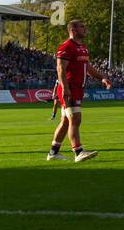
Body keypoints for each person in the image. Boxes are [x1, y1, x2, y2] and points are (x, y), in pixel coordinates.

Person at [46, 20, 113, 163]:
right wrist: (65, 87)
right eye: (82, 27)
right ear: (73, 30)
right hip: (69, 87)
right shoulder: (66, 46)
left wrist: (102, 78)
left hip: (77, 88)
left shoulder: (82, 48)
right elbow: (60, 68)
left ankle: (53, 152)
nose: (85, 29)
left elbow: (88, 68)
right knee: (75, 119)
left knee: (65, 121)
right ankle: (78, 152)